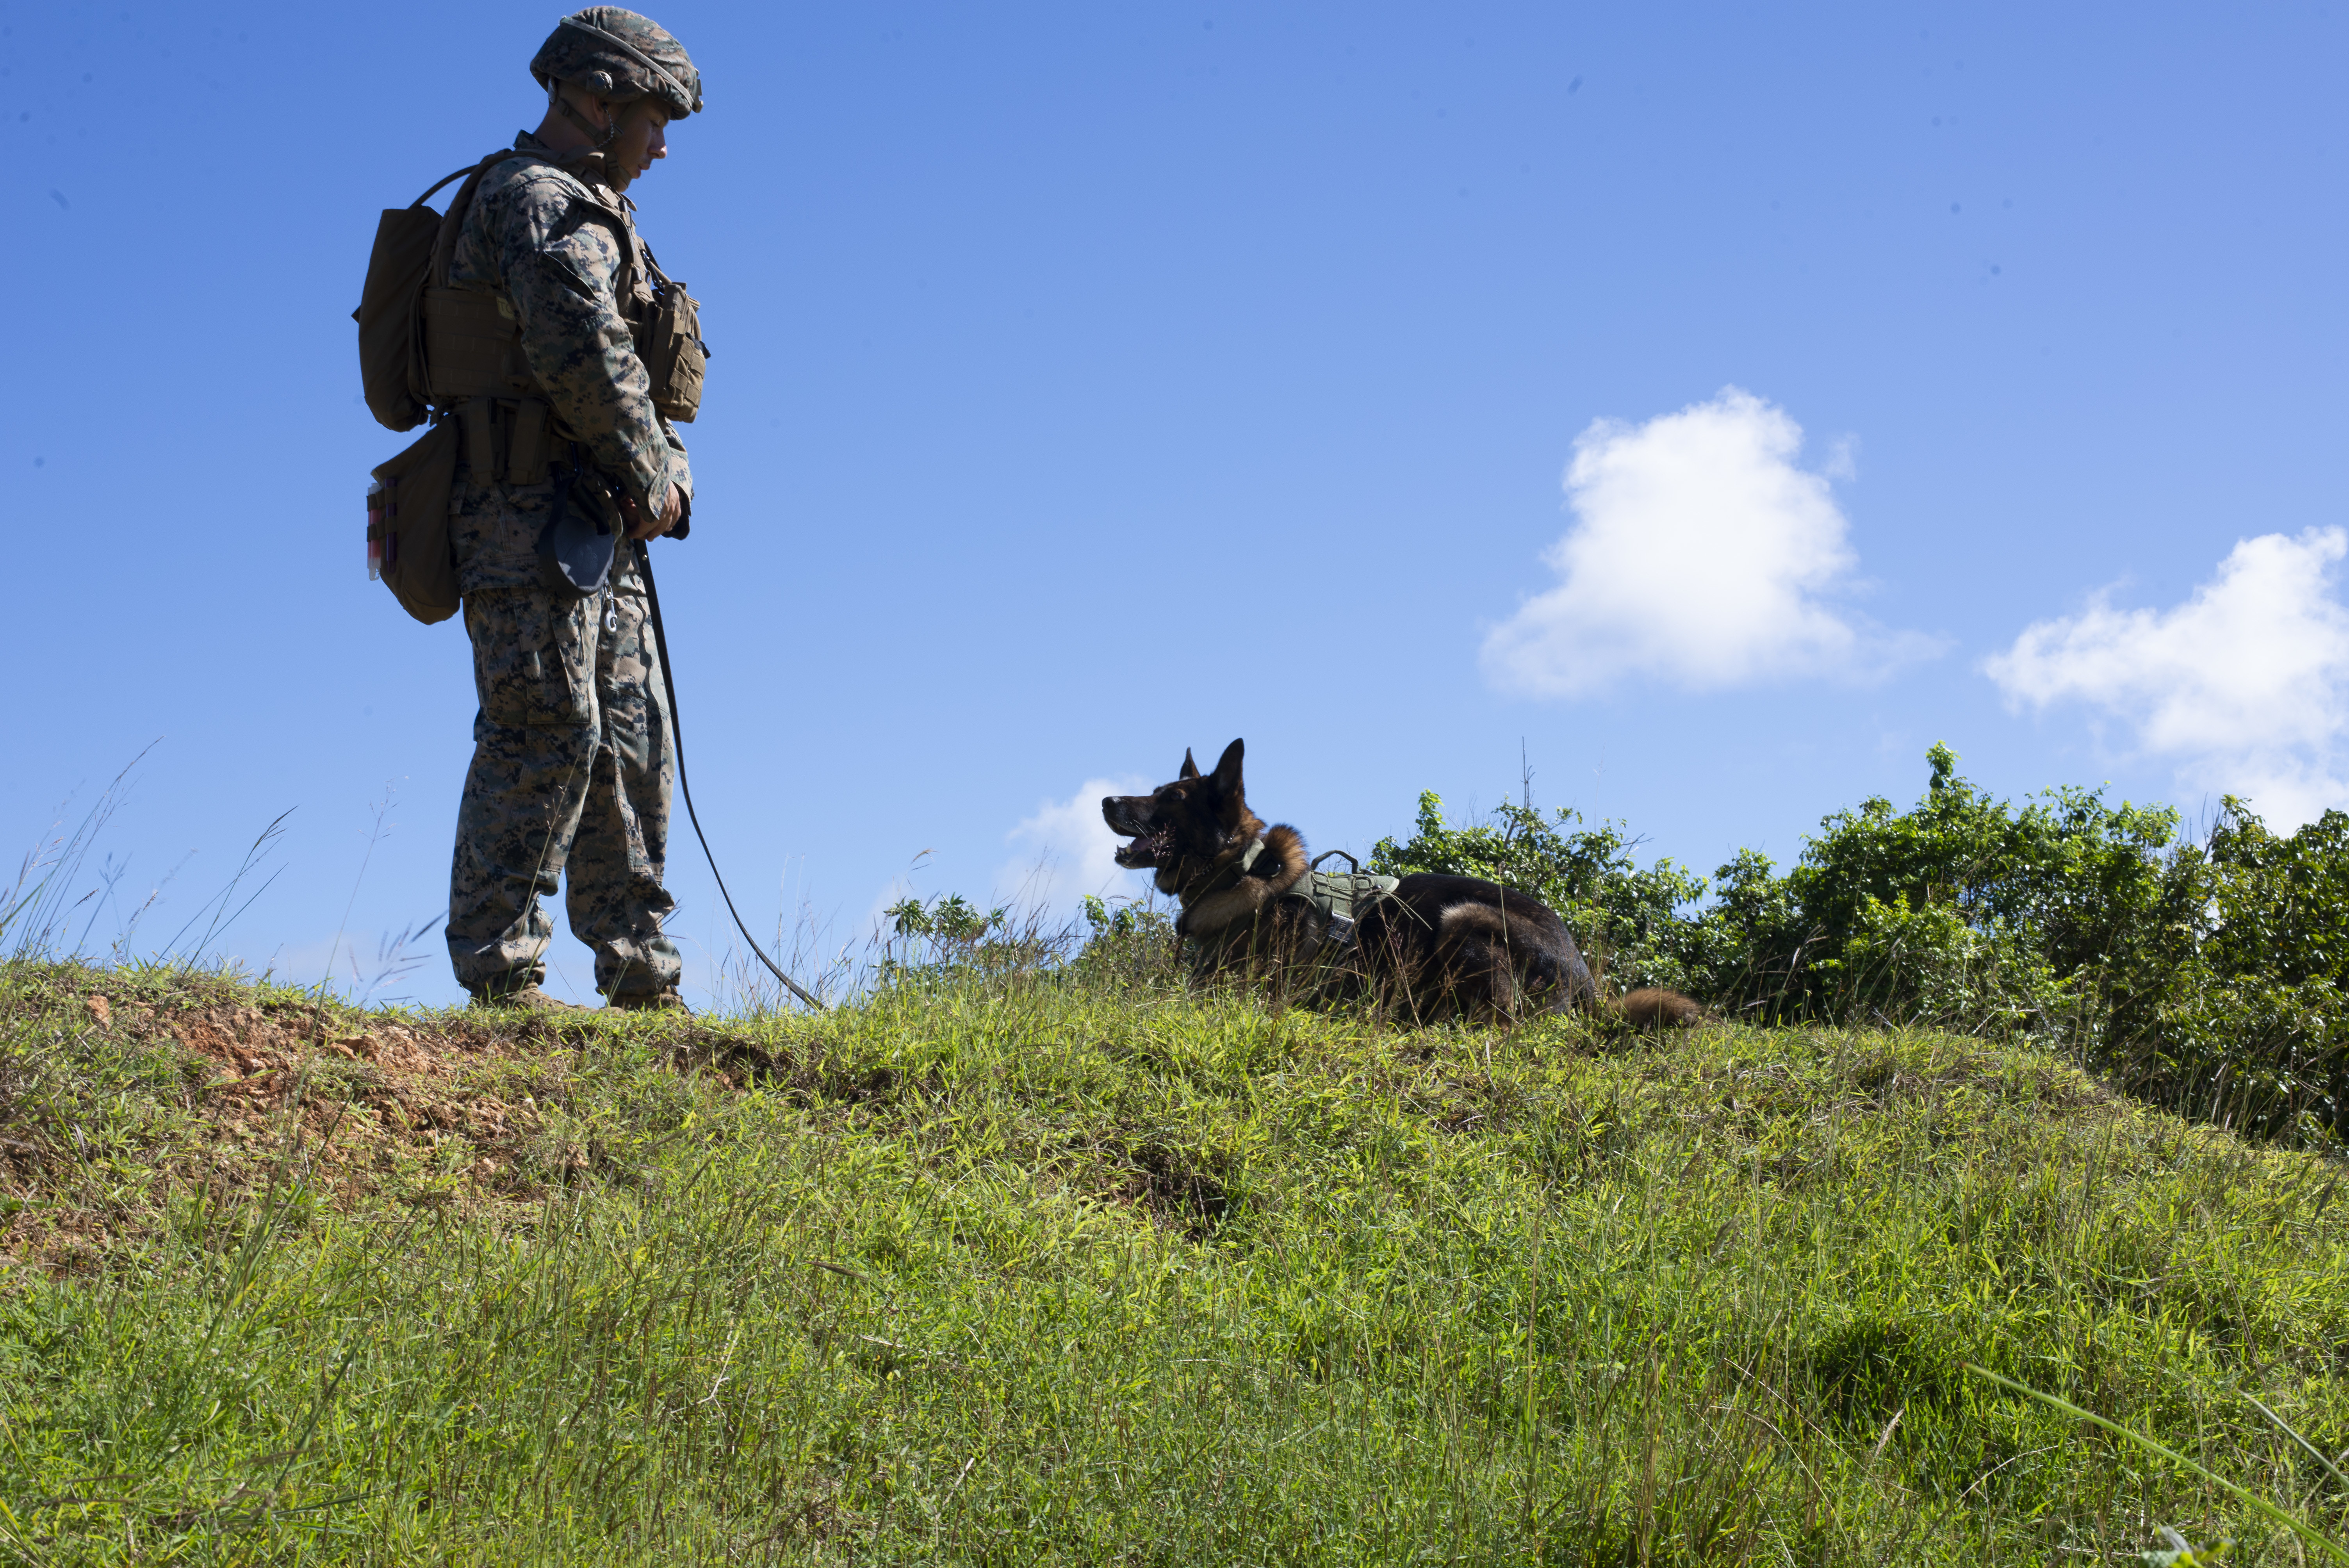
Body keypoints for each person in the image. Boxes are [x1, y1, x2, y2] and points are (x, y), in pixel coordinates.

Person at [439, 8, 704, 1011]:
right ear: (597, 100)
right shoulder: (535, 201)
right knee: (543, 726)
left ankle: (641, 978)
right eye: (652, 119)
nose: (662, 145)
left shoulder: (596, 212)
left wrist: (658, 473)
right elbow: (581, 353)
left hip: (595, 519)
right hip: (519, 513)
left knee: (631, 741)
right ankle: (502, 976)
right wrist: (654, 473)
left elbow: (634, 371)